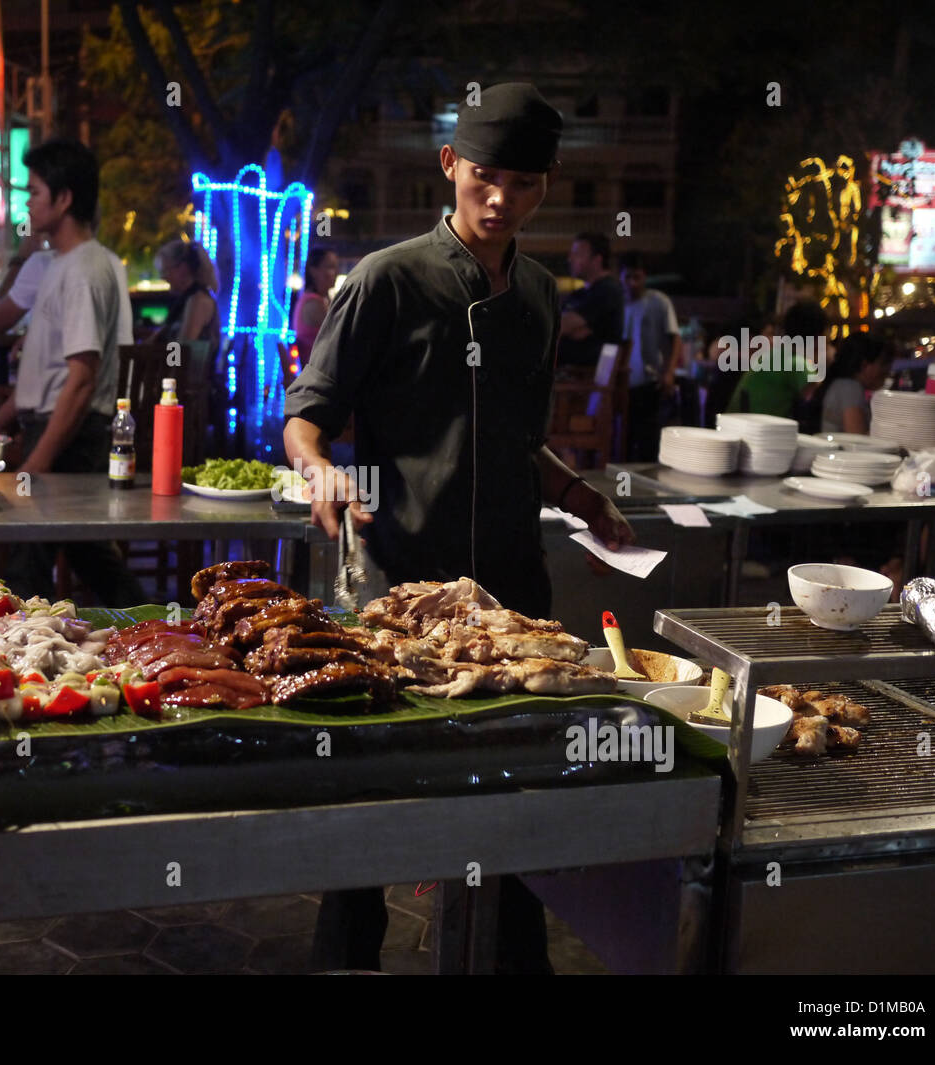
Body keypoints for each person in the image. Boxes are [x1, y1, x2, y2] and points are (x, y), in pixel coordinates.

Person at [284, 82, 635, 974]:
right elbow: (306, 416)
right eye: (484, 176)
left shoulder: (542, 296)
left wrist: (582, 495)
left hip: (514, 594)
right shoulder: (385, 280)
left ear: (545, 187)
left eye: (522, 182)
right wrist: (321, 468)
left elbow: (521, 442)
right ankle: (347, 959)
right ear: (450, 166)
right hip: (400, 587)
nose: (500, 199)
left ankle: (510, 961)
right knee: (370, 796)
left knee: (512, 796)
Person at [0, 138, 143, 606]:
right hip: (53, 428)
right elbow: (45, 374)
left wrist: (36, 463)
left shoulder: (85, 270)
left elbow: (82, 377)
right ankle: (160, 629)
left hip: (71, 434)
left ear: (64, 198)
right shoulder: (61, 264)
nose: (26, 204)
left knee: (31, 561)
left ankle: (12, 661)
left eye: (33, 192)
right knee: (83, 552)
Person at [0, 229, 134, 348]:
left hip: (79, 380)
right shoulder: (112, 260)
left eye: (36, 194)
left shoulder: (44, 263)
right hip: (121, 379)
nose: (29, 203)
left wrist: (21, 258)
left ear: (62, 201)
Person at [620, 250, 681, 460]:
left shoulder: (659, 302)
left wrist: (669, 373)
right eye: (627, 277)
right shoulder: (618, 305)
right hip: (623, 384)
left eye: (637, 277)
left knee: (649, 441)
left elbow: (674, 338)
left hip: (650, 381)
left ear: (644, 276)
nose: (632, 283)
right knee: (624, 442)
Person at [727, 301, 827, 420]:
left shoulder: (772, 354)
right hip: (756, 431)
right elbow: (820, 402)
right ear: (817, 337)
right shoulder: (796, 363)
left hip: (735, 425)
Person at [556, 231, 623, 369]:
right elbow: (557, 324)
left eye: (577, 254)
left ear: (597, 260)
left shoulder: (607, 290)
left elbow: (559, 326)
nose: (570, 259)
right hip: (566, 373)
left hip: (588, 378)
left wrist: (566, 328)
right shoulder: (579, 293)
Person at [813, 332, 892, 434]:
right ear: (865, 365)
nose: (888, 370)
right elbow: (857, 438)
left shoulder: (841, 384)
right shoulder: (850, 389)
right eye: (883, 363)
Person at [153, 239, 220, 349]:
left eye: (165, 271)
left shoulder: (198, 301)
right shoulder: (188, 299)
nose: (162, 278)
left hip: (191, 366)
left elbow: (181, 351)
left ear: (182, 269)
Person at [291, 246, 339, 368]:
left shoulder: (317, 300)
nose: (336, 272)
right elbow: (340, 335)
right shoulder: (313, 303)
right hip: (319, 373)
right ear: (314, 271)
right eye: (330, 267)